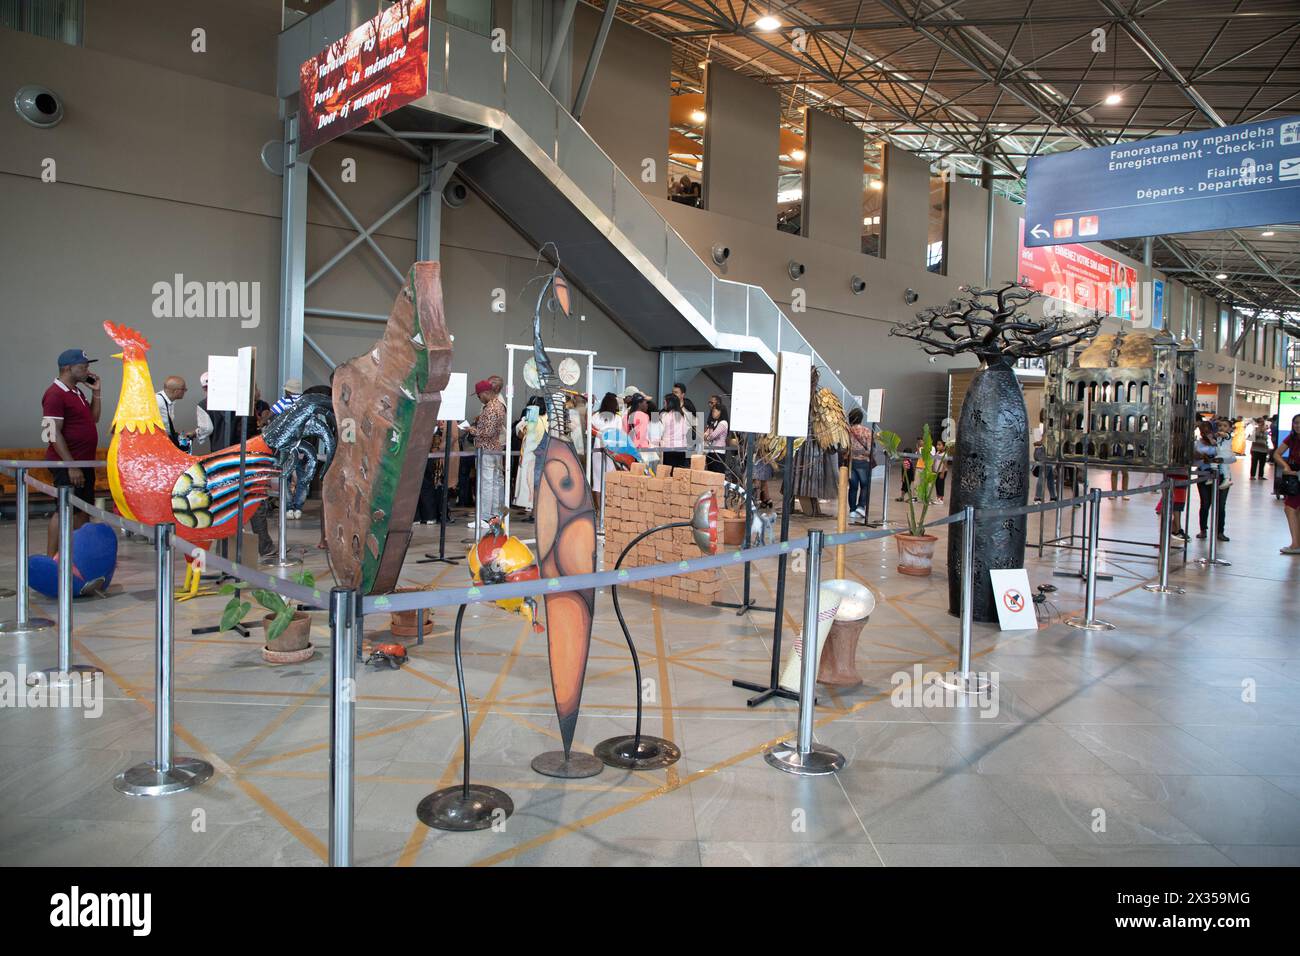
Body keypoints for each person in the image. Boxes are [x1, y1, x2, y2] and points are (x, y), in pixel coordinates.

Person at [42, 348, 102, 555]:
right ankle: (52, 558)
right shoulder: (54, 394)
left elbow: (93, 419)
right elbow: (52, 432)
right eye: (83, 367)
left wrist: (96, 393)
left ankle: (76, 555)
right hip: (68, 463)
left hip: (84, 462)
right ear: (68, 368)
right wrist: (71, 465)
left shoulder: (76, 392)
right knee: (64, 510)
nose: (88, 370)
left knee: (83, 509)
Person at [463, 378, 506, 529]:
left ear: (486, 393)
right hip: (495, 448)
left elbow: (486, 433)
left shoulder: (490, 408)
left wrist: (470, 430)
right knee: (495, 483)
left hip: (487, 449)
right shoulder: (500, 406)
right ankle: (494, 515)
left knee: (486, 484)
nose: (478, 398)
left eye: (479, 395)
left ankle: (484, 518)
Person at [1195, 419, 1234, 542]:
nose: (1205, 432)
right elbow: (1194, 460)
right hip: (1204, 474)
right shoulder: (1198, 443)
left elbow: (1231, 458)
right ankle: (1203, 530)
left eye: (1208, 429)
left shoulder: (1221, 441)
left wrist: (1220, 459)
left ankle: (1220, 531)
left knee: (1220, 505)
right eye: (1203, 430)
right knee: (1205, 503)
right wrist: (1201, 458)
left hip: (1220, 475)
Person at [513, 396, 547, 518]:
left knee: (532, 485)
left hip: (531, 457)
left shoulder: (532, 419)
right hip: (543, 455)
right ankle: (536, 513)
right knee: (539, 485)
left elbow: (520, 432)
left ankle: (535, 513)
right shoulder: (547, 419)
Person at [1272, 413, 1300, 555]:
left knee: (1290, 508)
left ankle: (1295, 544)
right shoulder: (1292, 438)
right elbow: (1276, 454)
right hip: (1294, 479)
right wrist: (1286, 466)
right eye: (1295, 422)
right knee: (1293, 508)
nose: (1297, 425)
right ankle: (1296, 543)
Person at [590, 392, 620, 513]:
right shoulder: (617, 417)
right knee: (611, 478)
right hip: (612, 451)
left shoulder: (596, 415)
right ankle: (609, 509)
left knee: (597, 480)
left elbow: (589, 429)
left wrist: (599, 433)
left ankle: (599, 510)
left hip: (597, 450)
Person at [847, 408, 873, 520]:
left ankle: (852, 510)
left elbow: (845, 448)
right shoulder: (867, 431)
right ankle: (861, 507)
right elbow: (870, 450)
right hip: (863, 463)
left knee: (853, 487)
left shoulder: (847, 431)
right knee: (865, 486)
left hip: (851, 462)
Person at [155, 375, 190, 448]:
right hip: (158, 442)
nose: (186, 391)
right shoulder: (158, 402)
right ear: (176, 391)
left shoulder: (169, 401)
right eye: (184, 389)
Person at [660, 393, 689, 467]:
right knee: (678, 474)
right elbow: (685, 431)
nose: (664, 405)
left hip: (669, 448)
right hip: (682, 449)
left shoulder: (665, 416)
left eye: (665, 403)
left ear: (669, 403)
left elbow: (660, 432)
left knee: (669, 474)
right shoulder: (683, 416)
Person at [703, 401, 729, 474]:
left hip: (718, 452)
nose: (712, 413)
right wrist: (706, 435)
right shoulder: (714, 422)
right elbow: (705, 434)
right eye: (712, 411)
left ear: (720, 412)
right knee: (710, 474)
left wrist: (707, 436)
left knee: (717, 474)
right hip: (710, 451)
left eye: (714, 411)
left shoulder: (723, 423)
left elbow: (712, 436)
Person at [933, 437, 949, 504]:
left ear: (943, 446)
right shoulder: (937, 453)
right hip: (936, 472)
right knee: (936, 484)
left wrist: (942, 473)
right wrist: (933, 469)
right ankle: (938, 498)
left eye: (939, 445)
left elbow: (945, 464)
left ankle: (941, 499)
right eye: (937, 445)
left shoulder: (944, 454)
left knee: (940, 484)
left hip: (942, 472)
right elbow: (935, 461)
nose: (937, 446)